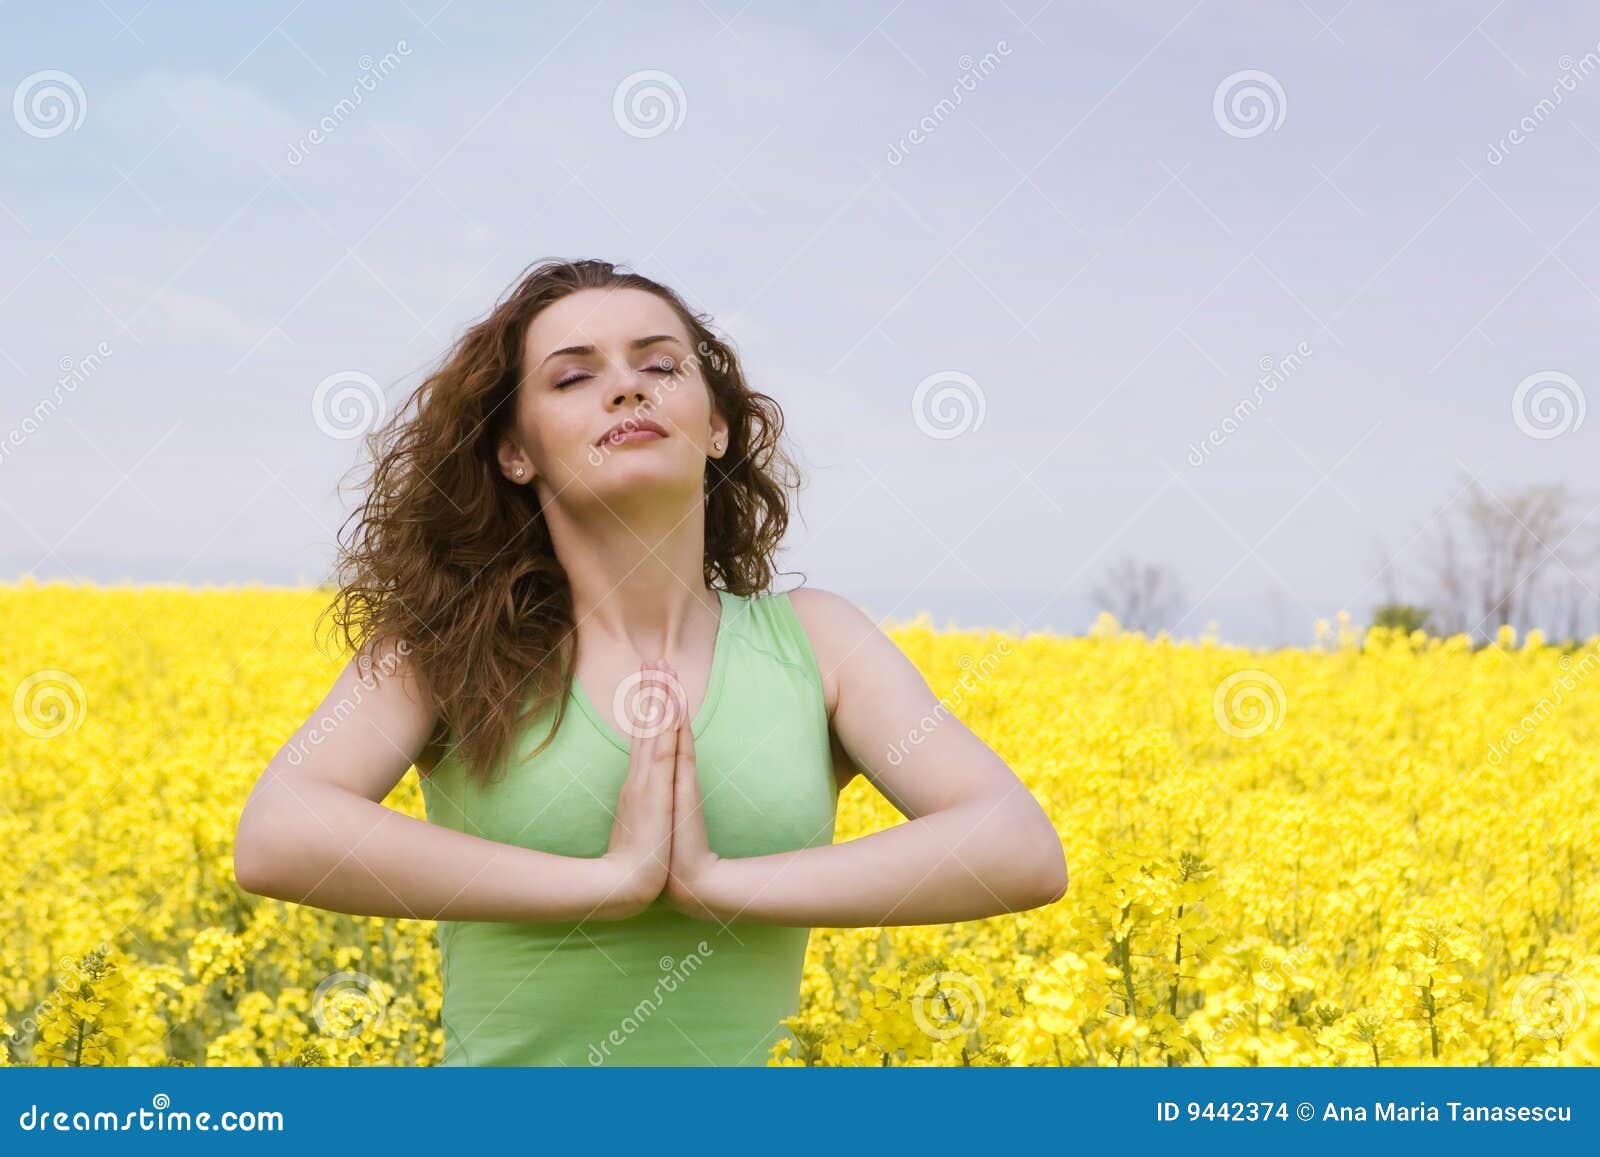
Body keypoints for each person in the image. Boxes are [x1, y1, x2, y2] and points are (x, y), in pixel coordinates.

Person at [233, 257, 1068, 1066]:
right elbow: (276, 836)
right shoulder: (443, 649)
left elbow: (1018, 848)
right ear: (514, 452)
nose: (628, 388)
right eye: (572, 378)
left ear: (716, 427)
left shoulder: (819, 643)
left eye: (661, 365)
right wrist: (610, 882)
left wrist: (712, 884)